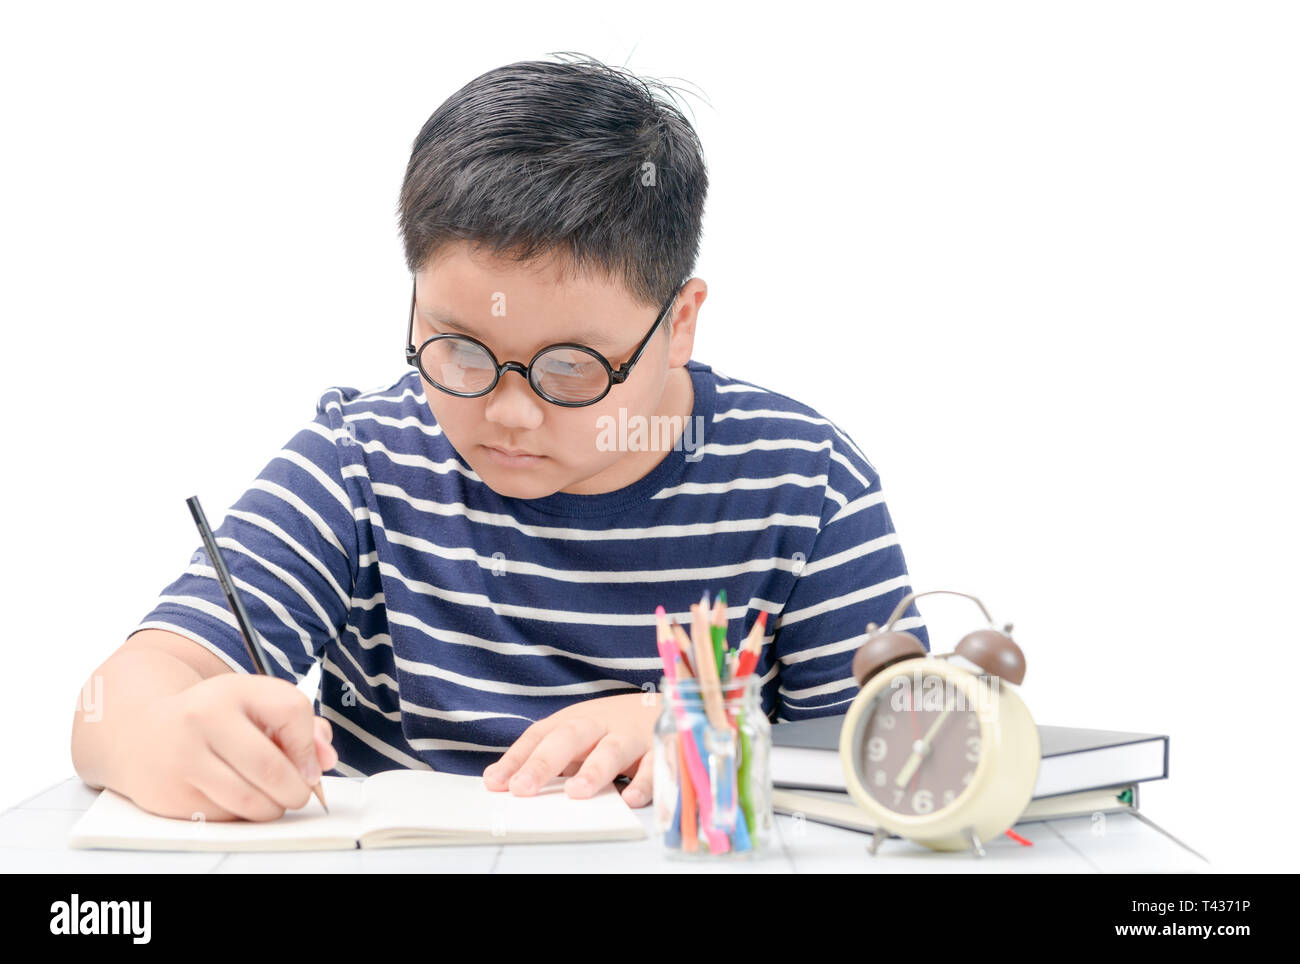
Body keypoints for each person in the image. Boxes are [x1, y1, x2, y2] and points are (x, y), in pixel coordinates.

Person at [70, 55, 929, 822]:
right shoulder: (364, 464)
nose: (509, 412)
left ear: (679, 325)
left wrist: (705, 731)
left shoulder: (802, 482)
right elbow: (117, 700)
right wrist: (169, 733)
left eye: (570, 369)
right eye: (459, 350)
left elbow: (902, 757)